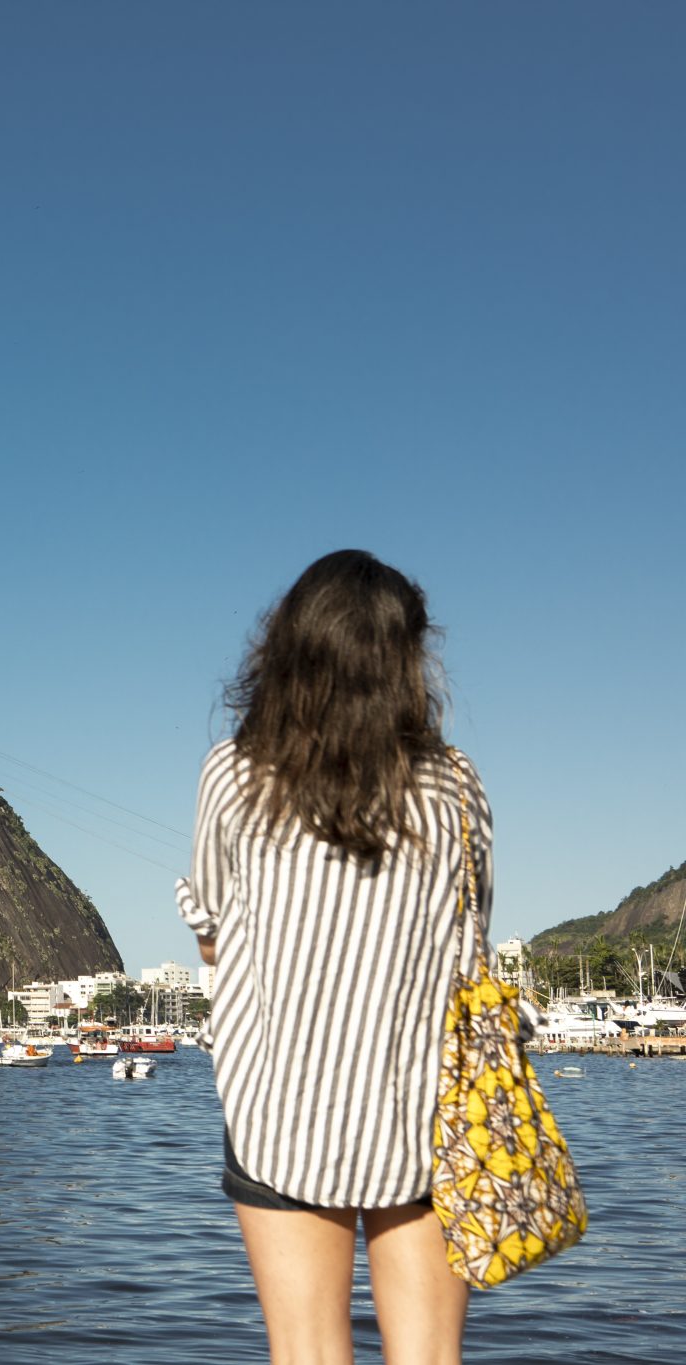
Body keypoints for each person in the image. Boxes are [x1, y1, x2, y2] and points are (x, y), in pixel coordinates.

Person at [177, 549, 486, 1365]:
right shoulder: (456, 787)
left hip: (280, 1110)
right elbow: (470, 940)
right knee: (428, 1357)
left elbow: (208, 921)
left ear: (286, 652)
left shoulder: (235, 776)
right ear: (404, 663)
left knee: (308, 1351)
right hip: (427, 1116)